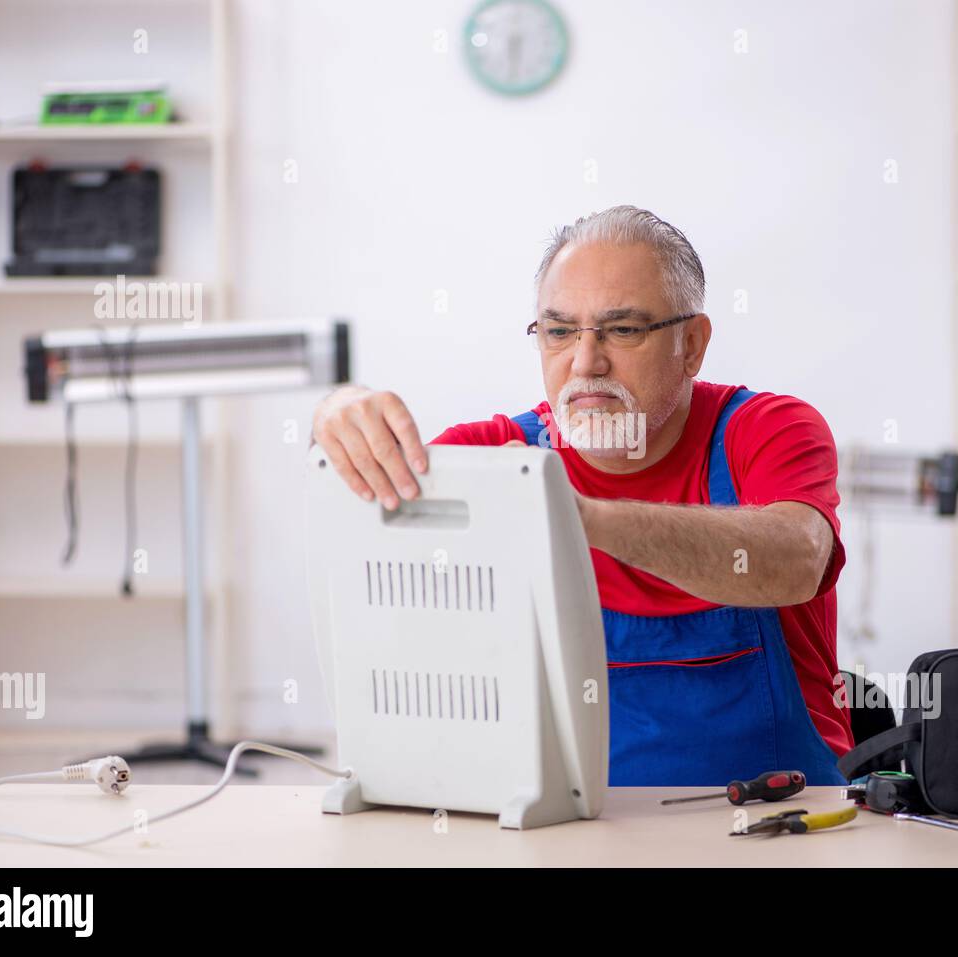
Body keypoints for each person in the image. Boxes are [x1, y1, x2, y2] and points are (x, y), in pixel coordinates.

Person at [311, 205, 851, 785]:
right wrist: (337, 409)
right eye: (560, 331)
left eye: (623, 330)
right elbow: (366, 532)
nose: (585, 362)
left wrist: (579, 518)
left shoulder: (765, 429)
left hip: (778, 819)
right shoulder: (497, 454)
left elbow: (793, 562)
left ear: (692, 344)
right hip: (571, 827)